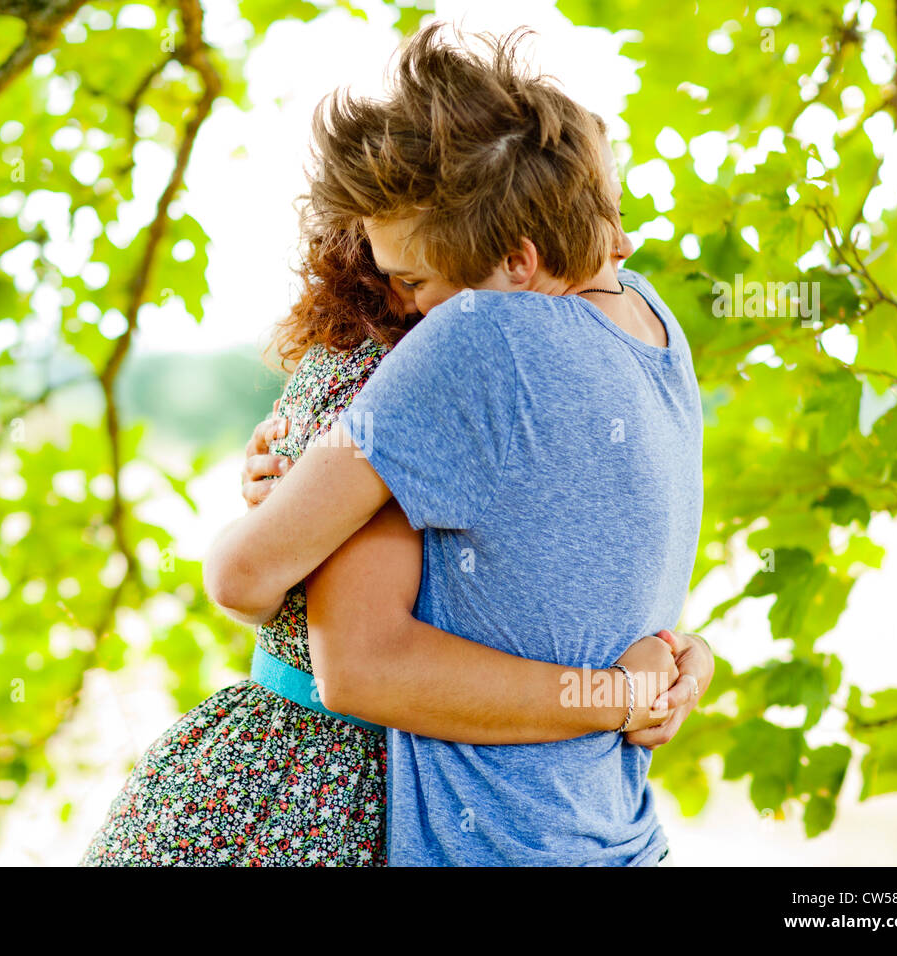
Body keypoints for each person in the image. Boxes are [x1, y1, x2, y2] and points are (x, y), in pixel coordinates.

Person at [203, 24, 706, 866]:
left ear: (514, 263)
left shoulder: (480, 336)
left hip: (489, 834)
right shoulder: (656, 328)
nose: (401, 310)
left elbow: (244, 577)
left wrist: (291, 500)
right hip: (612, 832)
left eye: (412, 281)